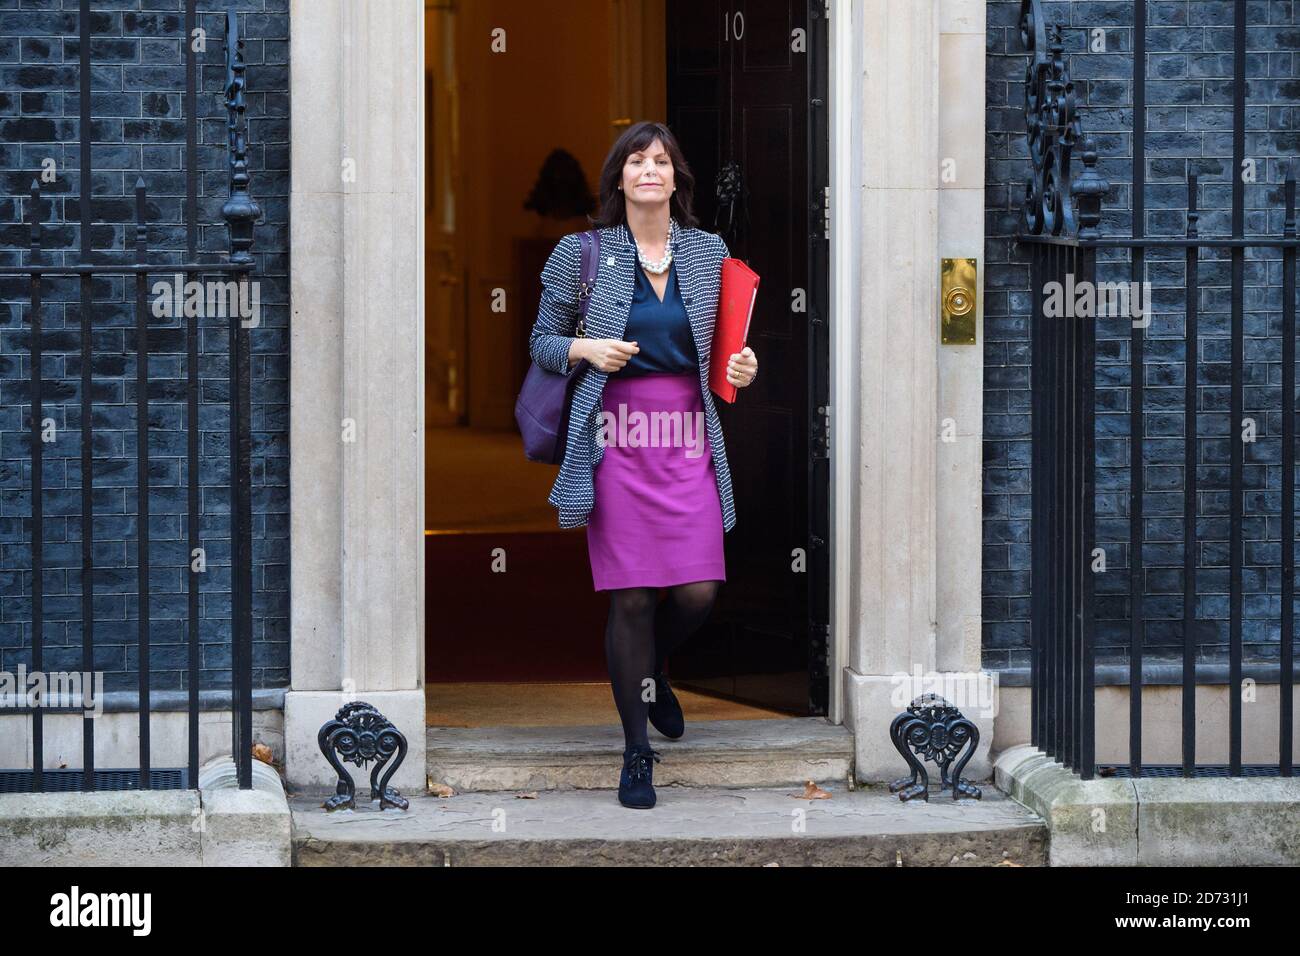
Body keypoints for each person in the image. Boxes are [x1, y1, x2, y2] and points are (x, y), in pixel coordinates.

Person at [528, 121, 758, 809]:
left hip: (686, 438)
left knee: (697, 592)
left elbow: (728, 351)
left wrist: (743, 367)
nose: (649, 170)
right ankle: (636, 752)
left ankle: (654, 664)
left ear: (675, 178)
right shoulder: (583, 252)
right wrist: (587, 351)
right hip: (614, 439)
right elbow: (542, 341)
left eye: (661, 160)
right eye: (637, 161)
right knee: (630, 597)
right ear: (619, 179)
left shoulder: (708, 252)